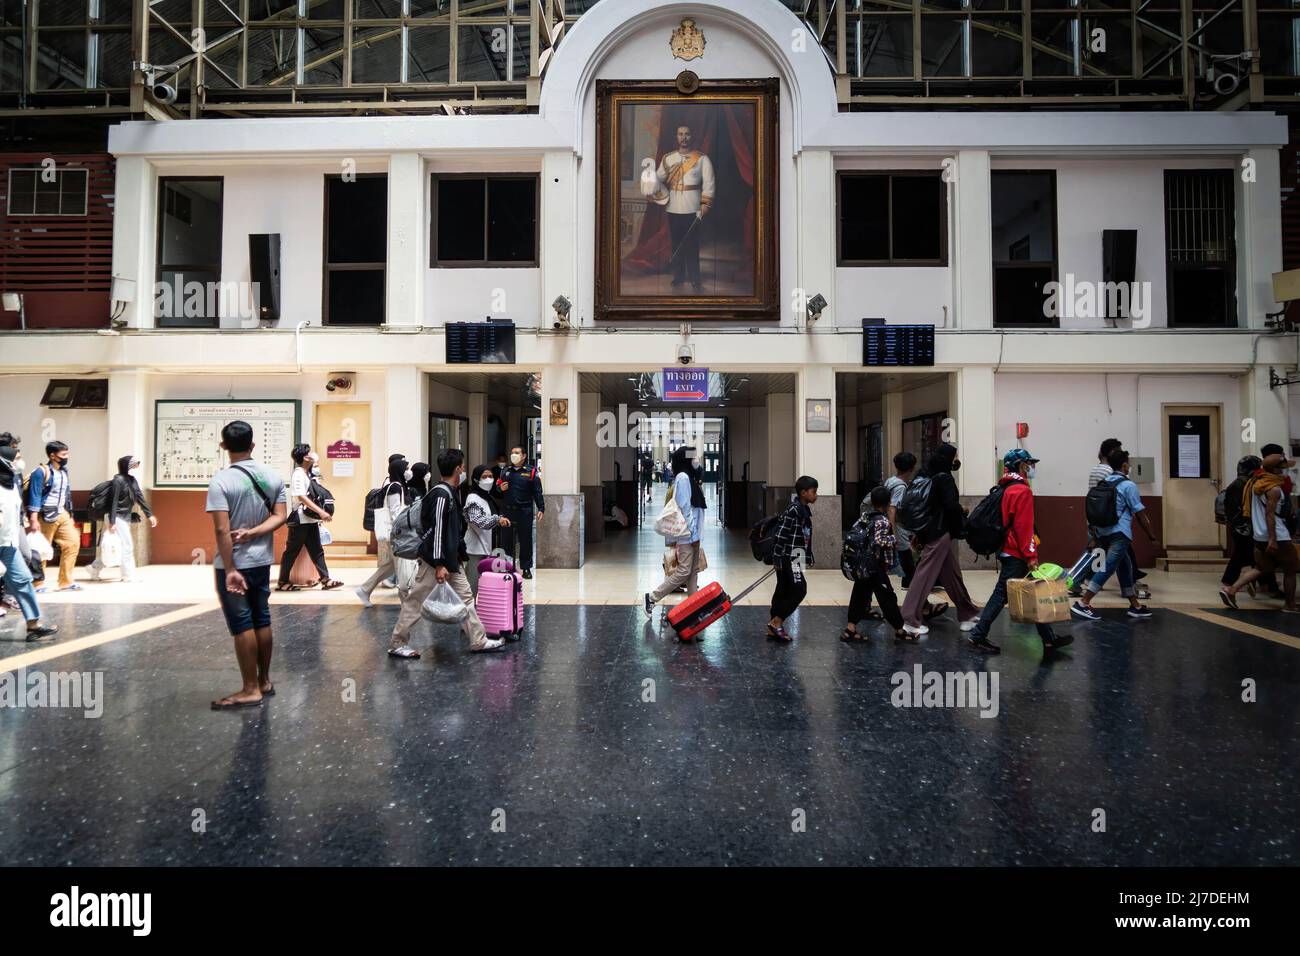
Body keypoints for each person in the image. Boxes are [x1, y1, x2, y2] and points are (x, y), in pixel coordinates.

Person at [388, 449, 505, 658]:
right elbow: (438, 531)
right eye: (463, 466)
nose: (464, 470)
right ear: (458, 468)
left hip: (452, 559)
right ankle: (397, 643)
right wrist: (440, 564)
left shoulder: (450, 492)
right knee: (416, 601)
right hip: (436, 562)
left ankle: (478, 640)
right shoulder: (441, 494)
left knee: (467, 597)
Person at [206, 420, 289, 709]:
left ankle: (250, 689)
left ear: (223, 446)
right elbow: (280, 516)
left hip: (235, 564)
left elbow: (221, 530)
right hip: (262, 561)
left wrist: (229, 569)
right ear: (253, 445)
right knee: (261, 618)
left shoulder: (221, 481)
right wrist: (254, 533)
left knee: (242, 625)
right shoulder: (273, 476)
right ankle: (264, 680)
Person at [965, 449, 1073, 655]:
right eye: (1028, 464)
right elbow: (1024, 528)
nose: (1031, 468)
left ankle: (1049, 638)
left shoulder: (1005, 488)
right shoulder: (1022, 491)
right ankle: (977, 635)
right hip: (1017, 552)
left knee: (1034, 590)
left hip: (1006, 549)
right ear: (1019, 466)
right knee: (1001, 595)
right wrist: (1031, 556)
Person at [899, 443, 980, 638]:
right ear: (948, 459)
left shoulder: (923, 475)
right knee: (924, 575)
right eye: (955, 457)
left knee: (952, 575)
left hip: (930, 531)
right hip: (939, 532)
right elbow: (951, 508)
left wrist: (919, 532)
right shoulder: (944, 479)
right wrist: (962, 518)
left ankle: (967, 613)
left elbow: (924, 507)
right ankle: (910, 619)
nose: (956, 461)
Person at [1071, 448, 1156, 621]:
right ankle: (1083, 603)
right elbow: (1140, 514)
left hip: (1102, 532)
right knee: (1108, 567)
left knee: (1125, 567)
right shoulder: (1128, 485)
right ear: (1124, 466)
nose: (1129, 467)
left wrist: (1094, 536)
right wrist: (1151, 536)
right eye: (1129, 464)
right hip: (1120, 533)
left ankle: (1135, 605)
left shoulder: (1104, 483)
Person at [1221, 444, 1299, 612]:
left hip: (1259, 535)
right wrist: (1273, 539)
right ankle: (1290, 605)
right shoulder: (1274, 489)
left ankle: (1231, 589)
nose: (1285, 470)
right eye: (1283, 467)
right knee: (1291, 568)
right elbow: (1270, 515)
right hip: (1277, 535)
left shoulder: (1256, 484)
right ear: (1276, 470)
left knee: (1262, 568)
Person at [643, 123, 716, 293]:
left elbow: (709, 183)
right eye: (680, 134)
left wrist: (705, 204)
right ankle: (679, 276)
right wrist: (650, 190)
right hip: (673, 207)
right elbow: (658, 178)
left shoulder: (702, 159)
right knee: (676, 245)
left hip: (693, 207)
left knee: (692, 245)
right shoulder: (668, 159)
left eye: (687, 134)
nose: (684, 137)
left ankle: (695, 280)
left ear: (692, 136)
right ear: (676, 137)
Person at [0, 443, 58, 641]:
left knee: (23, 579)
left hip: (9, 543)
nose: (19, 462)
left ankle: (33, 625)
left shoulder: (11, 483)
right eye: (16, 459)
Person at [644, 445, 707, 616]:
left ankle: (693, 611)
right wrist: (693, 534)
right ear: (685, 459)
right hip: (688, 534)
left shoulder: (691, 477)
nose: (696, 461)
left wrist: (697, 534)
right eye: (693, 458)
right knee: (685, 571)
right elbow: (685, 507)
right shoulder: (683, 477)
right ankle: (652, 597)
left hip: (694, 533)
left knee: (693, 573)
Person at [841, 485, 904, 643]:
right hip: (875, 567)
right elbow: (879, 541)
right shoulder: (882, 521)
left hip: (863, 566)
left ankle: (850, 629)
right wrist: (893, 539)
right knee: (887, 597)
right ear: (888, 501)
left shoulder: (864, 517)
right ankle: (900, 630)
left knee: (859, 596)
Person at [276, 443, 341, 591]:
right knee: (292, 551)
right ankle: (282, 582)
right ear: (305, 457)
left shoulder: (307, 474)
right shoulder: (298, 473)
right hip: (300, 520)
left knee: (317, 550)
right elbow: (301, 497)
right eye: (310, 453)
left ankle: (325, 579)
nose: (313, 454)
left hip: (309, 520)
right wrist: (321, 512)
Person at [764, 476, 818, 643]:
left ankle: (774, 624)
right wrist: (778, 558)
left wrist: (808, 556)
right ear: (803, 493)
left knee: (783, 588)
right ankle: (777, 621)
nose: (816, 495)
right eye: (813, 492)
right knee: (800, 589)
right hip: (789, 556)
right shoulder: (793, 510)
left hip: (797, 556)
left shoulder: (804, 509)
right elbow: (781, 535)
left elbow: (804, 536)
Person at [87, 455, 157, 583]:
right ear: (125, 465)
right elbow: (113, 501)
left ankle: (94, 569)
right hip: (116, 517)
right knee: (127, 546)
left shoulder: (132, 480)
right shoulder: (117, 480)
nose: (135, 466)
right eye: (132, 464)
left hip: (124, 517)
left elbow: (140, 498)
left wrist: (149, 514)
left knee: (110, 545)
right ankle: (128, 575)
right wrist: (112, 521)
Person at [25, 440, 81, 591]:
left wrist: (70, 513)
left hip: (62, 512)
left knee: (73, 543)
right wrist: (33, 517)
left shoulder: (64, 471)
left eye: (67, 453)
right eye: (63, 454)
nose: (67, 457)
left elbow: (67, 493)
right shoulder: (41, 471)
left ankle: (66, 581)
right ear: (52, 455)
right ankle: (38, 583)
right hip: (45, 514)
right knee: (41, 548)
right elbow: (35, 494)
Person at [356, 456, 411, 608]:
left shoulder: (398, 486)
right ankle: (406, 600)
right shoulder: (395, 487)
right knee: (401, 565)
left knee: (392, 565)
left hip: (396, 532)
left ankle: (364, 589)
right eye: (406, 468)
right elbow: (395, 511)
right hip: (396, 533)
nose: (408, 471)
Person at [1218, 455, 1263, 601]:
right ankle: (1232, 583)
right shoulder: (1243, 485)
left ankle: (1244, 581)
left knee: (1246, 555)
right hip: (1244, 526)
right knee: (1246, 556)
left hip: (1240, 526)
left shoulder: (1240, 483)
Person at [497, 445, 545, 579]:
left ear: (523, 456)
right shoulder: (505, 471)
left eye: (517, 453)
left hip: (525, 512)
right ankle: (507, 567)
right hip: (507, 512)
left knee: (525, 542)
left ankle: (526, 568)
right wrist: (500, 488)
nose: (514, 455)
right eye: (512, 452)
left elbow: (537, 491)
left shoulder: (531, 471)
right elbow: (498, 489)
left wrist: (541, 508)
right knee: (506, 541)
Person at [463, 463, 511, 594]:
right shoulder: (473, 498)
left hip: (487, 548)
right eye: (484, 477)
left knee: (486, 586)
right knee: (472, 588)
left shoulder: (487, 497)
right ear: (476, 479)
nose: (488, 479)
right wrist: (497, 519)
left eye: (490, 476)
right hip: (476, 550)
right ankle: (468, 613)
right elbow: (478, 521)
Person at [884, 451, 918, 589]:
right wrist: (892, 532)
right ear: (911, 468)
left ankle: (908, 582)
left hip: (893, 525)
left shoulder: (890, 481)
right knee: (906, 554)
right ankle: (909, 582)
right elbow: (892, 509)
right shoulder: (900, 487)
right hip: (898, 526)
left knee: (906, 555)